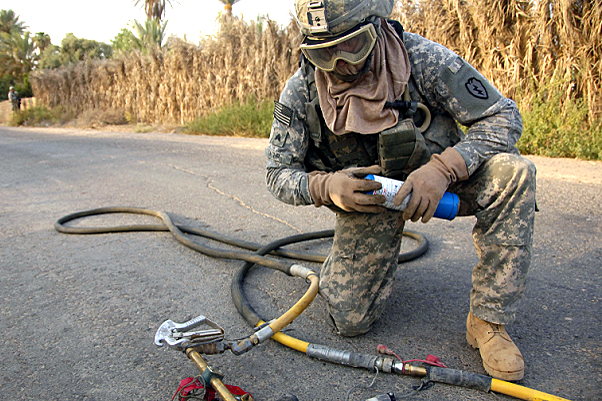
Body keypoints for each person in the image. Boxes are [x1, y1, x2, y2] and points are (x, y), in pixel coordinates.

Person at [264, 0, 536, 382]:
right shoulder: (303, 92)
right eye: (325, 53)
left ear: (376, 29)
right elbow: (277, 172)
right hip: (370, 202)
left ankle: (489, 321)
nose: (341, 65)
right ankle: (359, 262)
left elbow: (504, 116)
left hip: (443, 183)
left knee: (516, 173)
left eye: (353, 46)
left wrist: (444, 168)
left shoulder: (422, 60)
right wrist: (325, 186)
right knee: (349, 320)